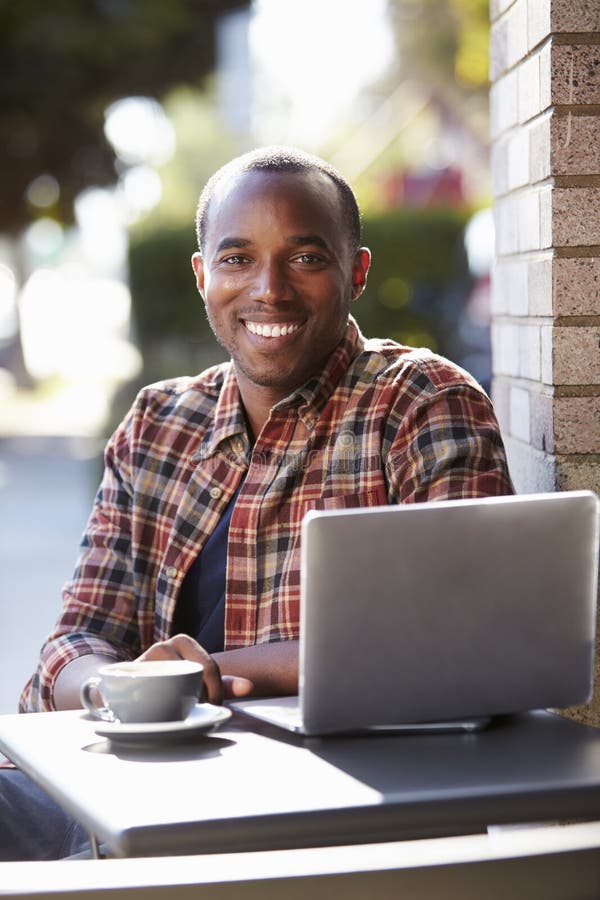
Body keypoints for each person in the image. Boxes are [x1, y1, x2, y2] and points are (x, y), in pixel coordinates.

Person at [1, 146, 514, 859]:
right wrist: (119, 686)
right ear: (202, 274)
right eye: (237, 259)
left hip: (334, 811)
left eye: (305, 258)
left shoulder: (421, 404)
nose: (268, 289)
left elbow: (459, 647)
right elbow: (68, 650)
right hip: (135, 798)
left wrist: (204, 673)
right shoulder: (158, 423)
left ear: (355, 273)